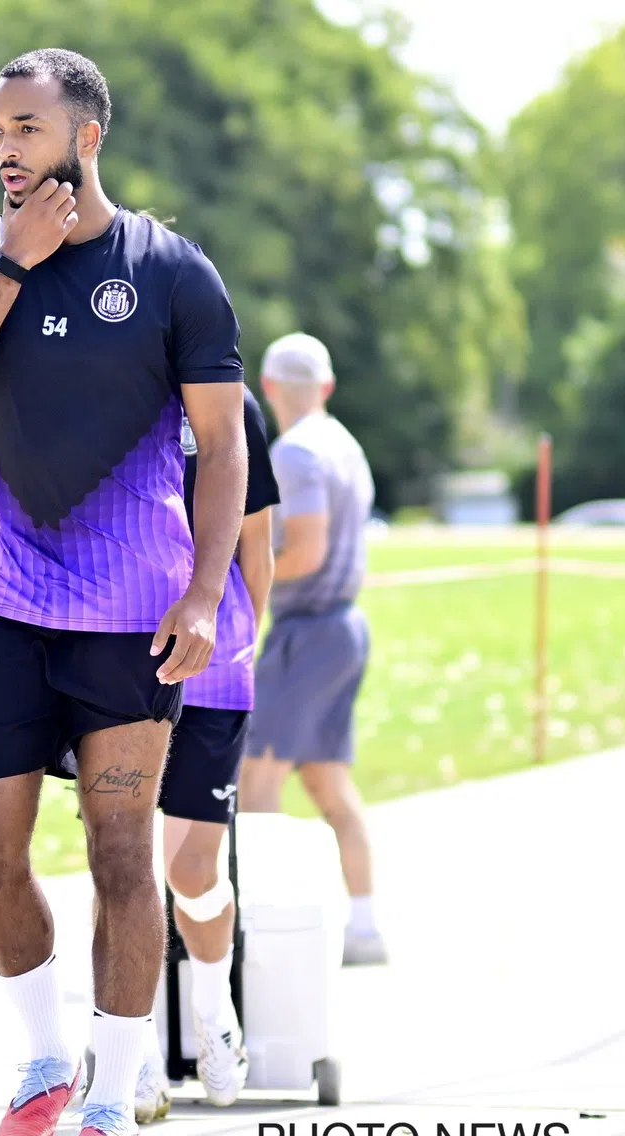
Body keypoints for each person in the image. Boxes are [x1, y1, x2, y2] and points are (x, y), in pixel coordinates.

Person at [0, 49, 248, 1136]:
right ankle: (46, 1060)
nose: (6, 149)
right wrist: (12, 264)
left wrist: (205, 592)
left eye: (28, 129)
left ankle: (113, 1092)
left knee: (118, 851)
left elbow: (223, 445)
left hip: (128, 612)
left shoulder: (170, 271)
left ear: (86, 137)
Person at [132, 386, 278, 1124]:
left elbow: (257, 544)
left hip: (215, 664)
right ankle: (133, 1050)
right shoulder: (111, 382)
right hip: (119, 652)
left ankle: (214, 1012)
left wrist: (242, 640)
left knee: (191, 869)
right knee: (120, 858)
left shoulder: (233, 405)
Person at [239, 332, 385, 966]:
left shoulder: (295, 452)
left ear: (269, 387)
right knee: (328, 782)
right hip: (344, 626)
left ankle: (264, 936)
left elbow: (306, 551)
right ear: (326, 386)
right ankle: (365, 928)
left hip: (308, 631)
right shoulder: (346, 444)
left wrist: (238, 574)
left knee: (256, 775)